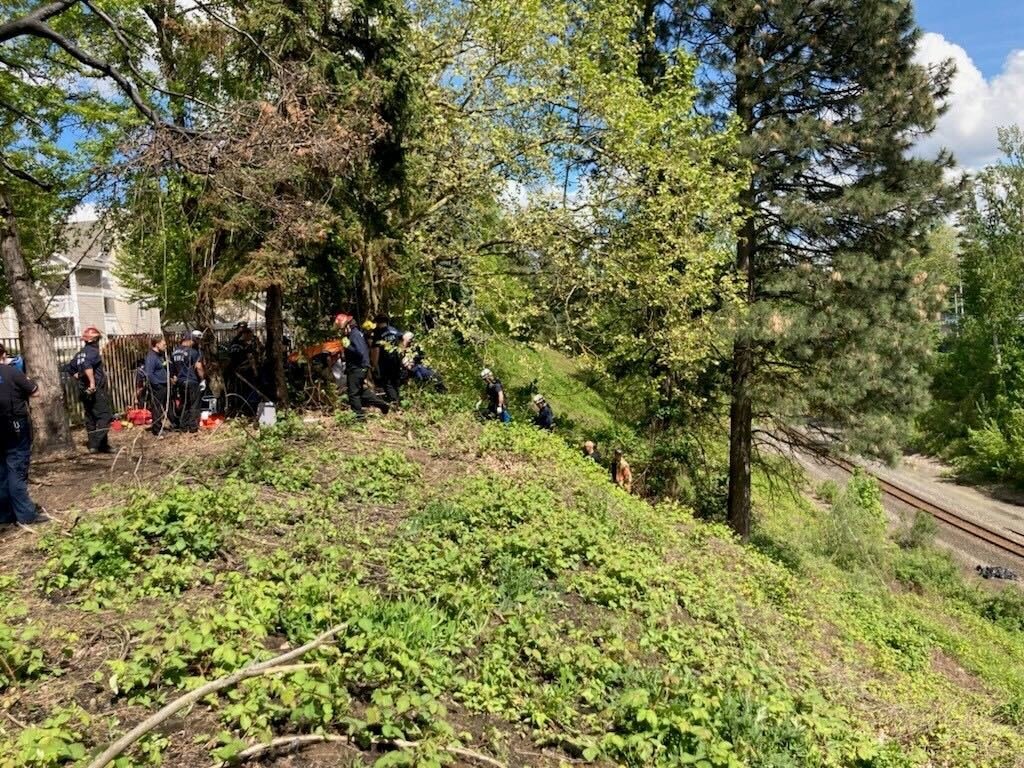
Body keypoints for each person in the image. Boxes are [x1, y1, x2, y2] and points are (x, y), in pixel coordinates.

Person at [0, 343, 47, 526]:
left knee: (1, 472)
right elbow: (35, 392)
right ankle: (26, 515)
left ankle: (4, 515)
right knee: (16, 470)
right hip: (14, 426)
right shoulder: (12, 372)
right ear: (3, 354)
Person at [335, 314, 390, 419]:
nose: (341, 331)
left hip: (357, 368)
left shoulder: (354, 335)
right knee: (360, 391)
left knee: (353, 393)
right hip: (358, 367)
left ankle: (359, 416)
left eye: (341, 329)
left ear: (347, 326)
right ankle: (382, 405)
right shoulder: (354, 334)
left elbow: (360, 352)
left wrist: (348, 346)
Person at [67, 327, 112, 453]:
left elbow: (69, 367)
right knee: (105, 416)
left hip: (83, 390)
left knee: (91, 417)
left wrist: (77, 375)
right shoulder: (93, 352)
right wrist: (92, 383)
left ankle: (99, 446)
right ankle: (97, 443)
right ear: (95, 340)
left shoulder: (80, 353)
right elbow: (87, 365)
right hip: (95, 390)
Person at [171, 332, 206, 433]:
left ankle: (183, 426)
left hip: (181, 381)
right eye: (194, 341)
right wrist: (203, 379)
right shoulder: (193, 352)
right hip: (192, 380)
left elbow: (173, 370)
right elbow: (198, 367)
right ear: (189, 340)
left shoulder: (174, 352)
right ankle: (193, 427)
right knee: (194, 404)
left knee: (184, 403)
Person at [372, 314, 405, 406]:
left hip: (385, 361)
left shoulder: (378, 333)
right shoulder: (394, 330)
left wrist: (374, 365)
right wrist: (401, 355)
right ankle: (399, 400)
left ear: (377, 322)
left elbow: (376, 350)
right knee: (395, 380)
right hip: (396, 359)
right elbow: (403, 340)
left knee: (387, 382)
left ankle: (394, 402)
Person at [144, 335, 171, 437]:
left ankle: (164, 425)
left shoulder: (159, 356)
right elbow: (149, 373)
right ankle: (157, 429)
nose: (165, 346)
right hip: (158, 386)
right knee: (157, 408)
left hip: (164, 384)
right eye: (164, 344)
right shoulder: (151, 357)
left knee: (163, 407)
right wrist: (156, 384)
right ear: (157, 344)